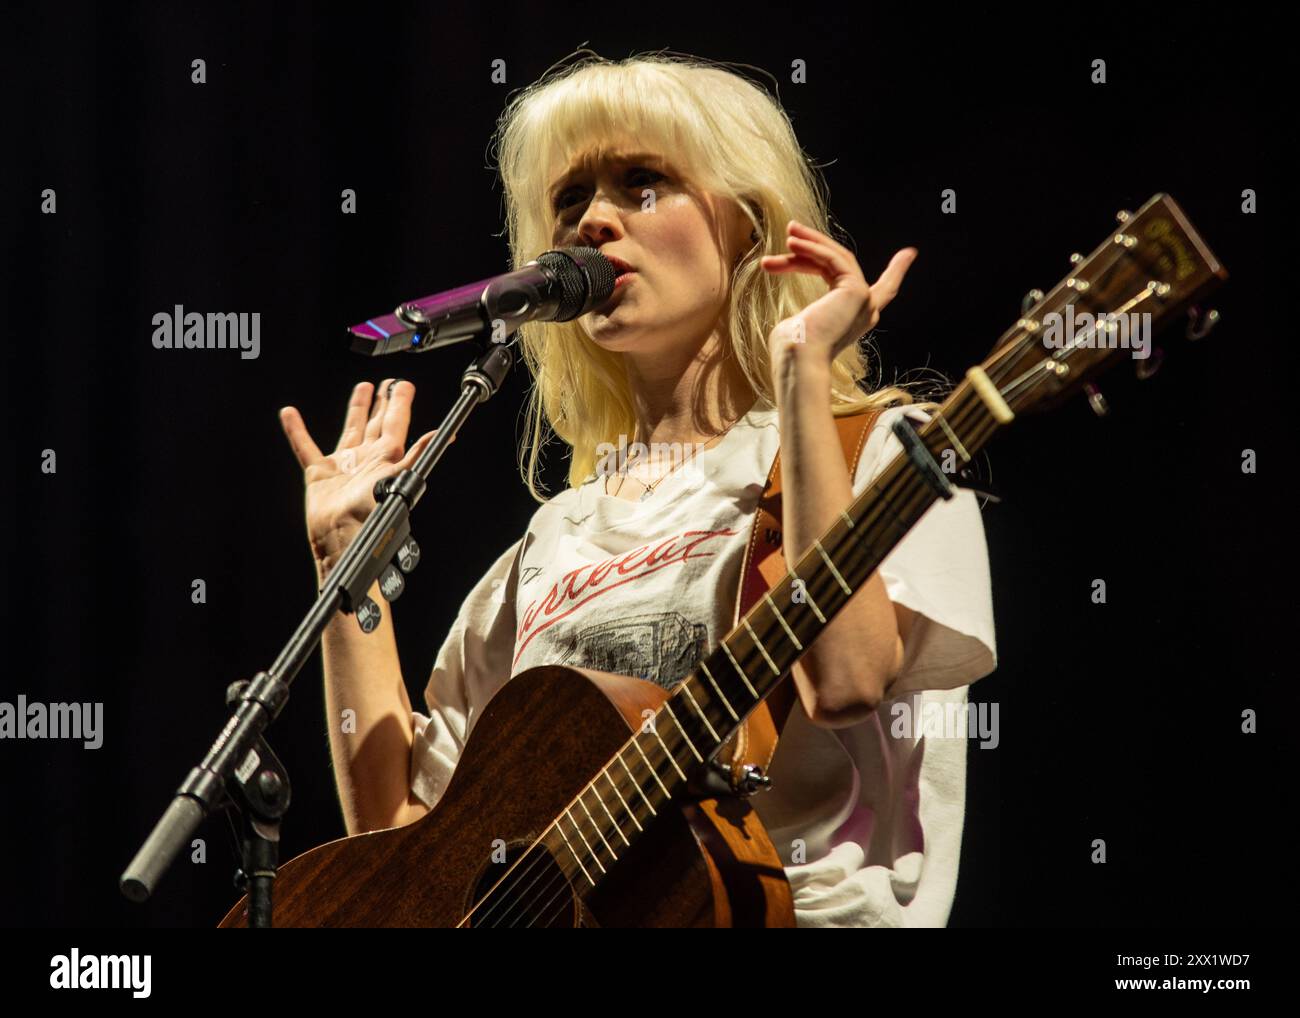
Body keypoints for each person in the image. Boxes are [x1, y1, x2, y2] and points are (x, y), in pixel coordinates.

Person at [278, 51, 996, 928]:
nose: (594, 221)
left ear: (748, 224)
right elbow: (407, 848)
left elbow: (844, 681)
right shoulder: (553, 540)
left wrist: (803, 377)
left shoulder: (878, 456)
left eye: (643, 183)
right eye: (570, 199)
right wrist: (345, 564)